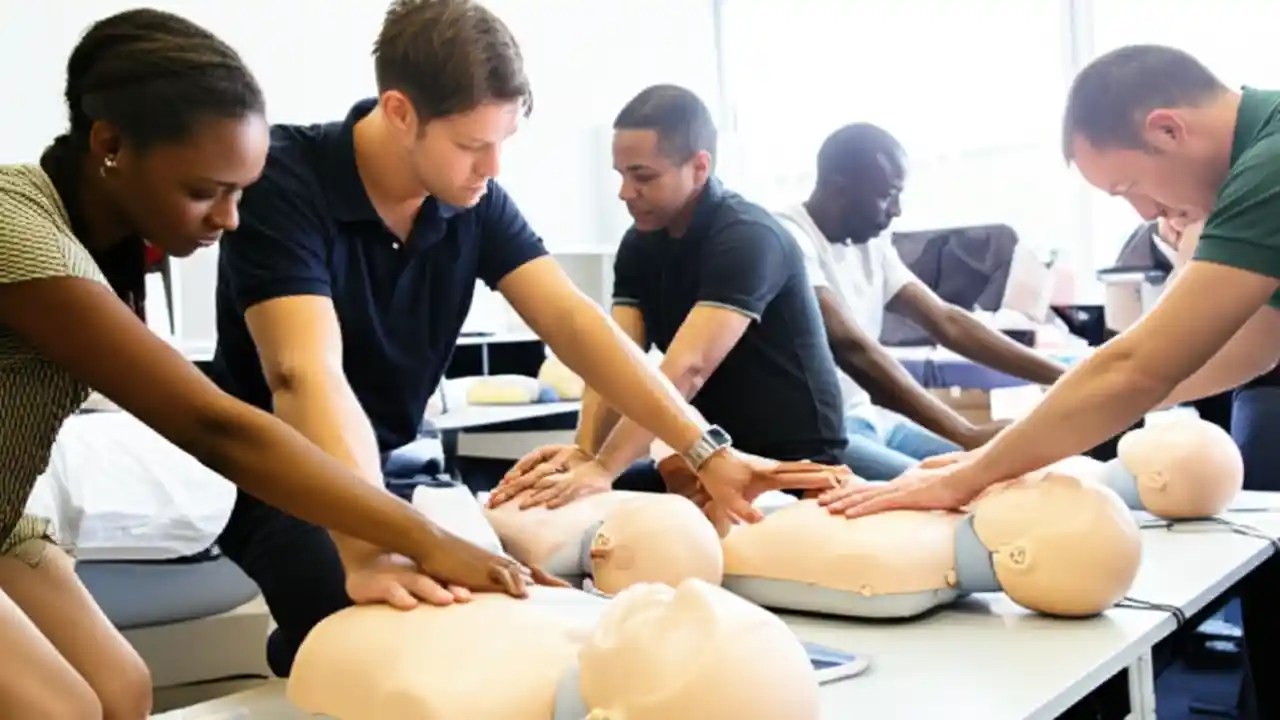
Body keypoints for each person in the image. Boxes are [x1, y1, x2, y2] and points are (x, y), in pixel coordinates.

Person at [207, 0, 829, 677]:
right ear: (398, 111)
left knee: (505, 617)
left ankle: (312, 639)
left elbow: (574, 323)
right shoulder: (285, 179)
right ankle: (310, 639)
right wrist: (374, 545)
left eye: (504, 141)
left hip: (381, 473)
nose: (493, 167)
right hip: (273, 476)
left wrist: (704, 449)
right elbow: (304, 374)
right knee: (405, 636)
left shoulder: (471, 199)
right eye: (473, 146)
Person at [0, 8, 561, 719]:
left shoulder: (105, 244)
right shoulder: (16, 228)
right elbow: (216, 428)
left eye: (241, 191)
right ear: (111, 145)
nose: (230, 219)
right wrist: (421, 537)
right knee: (59, 709)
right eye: (206, 191)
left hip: (6, 520)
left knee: (122, 691)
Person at [828, 45, 1280, 520]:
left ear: (1168, 129)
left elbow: (1138, 366)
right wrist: (1009, 453)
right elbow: (1247, 348)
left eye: (1130, 189)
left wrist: (969, 477)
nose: (1147, 214)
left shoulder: (1268, 167)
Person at [490, 84, 851, 511]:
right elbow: (609, 360)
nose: (625, 192)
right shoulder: (639, 245)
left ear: (700, 168)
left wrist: (605, 469)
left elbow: (688, 369)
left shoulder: (748, 237)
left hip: (790, 464)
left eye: (642, 176)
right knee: (545, 502)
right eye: (620, 175)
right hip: (707, 456)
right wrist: (584, 455)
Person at [774, 123, 1066, 480]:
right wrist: (963, 432)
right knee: (959, 487)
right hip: (826, 434)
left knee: (1013, 471)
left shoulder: (871, 242)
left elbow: (946, 322)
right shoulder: (788, 239)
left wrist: (1065, 376)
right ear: (839, 190)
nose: (896, 210)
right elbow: (852, 348)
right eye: (887, 195)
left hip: (876, 421)